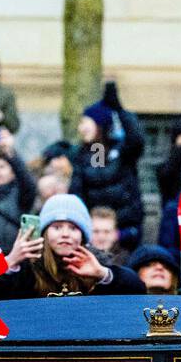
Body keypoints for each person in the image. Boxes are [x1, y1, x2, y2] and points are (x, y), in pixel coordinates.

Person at [0, 194, 143, 300]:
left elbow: (138, 290)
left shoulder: (94, 263)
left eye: (73, 228)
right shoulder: (27, 266)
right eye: (57, 227)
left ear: (83, 236)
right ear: (44, 233)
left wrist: (102, 274)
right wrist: (9, 263)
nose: (65, 234)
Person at [68, 82, 145, 251]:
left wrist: (119, 110)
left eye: (85, 122)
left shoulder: (119, 150)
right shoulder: (93, 151)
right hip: (95, 233)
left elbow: (137, 140)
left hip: (124, 233)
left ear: (99, 125)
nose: (81, 128)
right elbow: (94, 179)